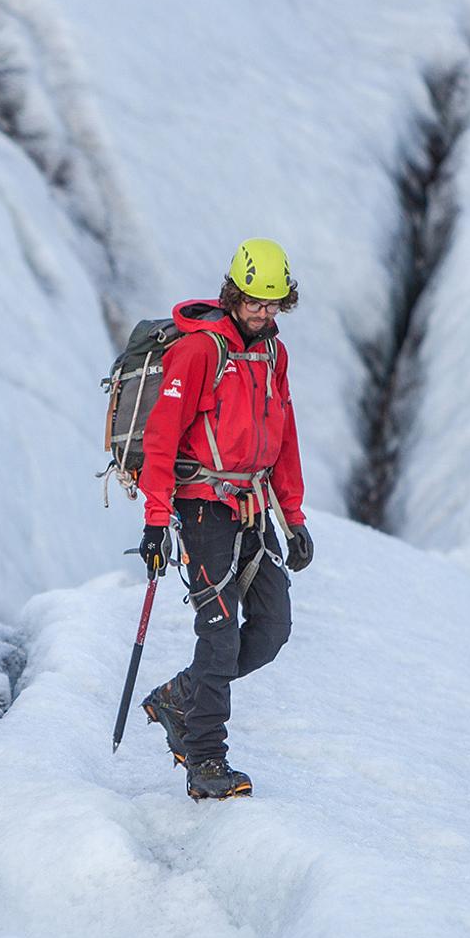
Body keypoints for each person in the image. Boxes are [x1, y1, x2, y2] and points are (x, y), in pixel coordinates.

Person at [133, 239, 314, 800]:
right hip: (201, 507)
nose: (266, 313)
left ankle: (178, 698)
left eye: (275, 303)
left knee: (272, 628)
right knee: (217, 635)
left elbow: (283, 439)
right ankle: (206, 760)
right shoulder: (200, 352)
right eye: (257, 303)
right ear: (234, 294)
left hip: (254, 507)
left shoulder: (273, 356)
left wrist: (293, 515)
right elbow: (161, 439)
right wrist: (157, 519)